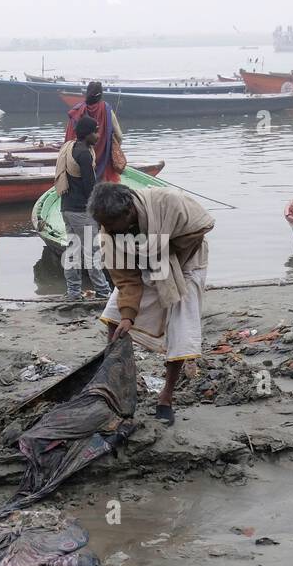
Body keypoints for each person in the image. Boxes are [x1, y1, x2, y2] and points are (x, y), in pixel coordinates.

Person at [89, 182, 214, 426]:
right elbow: (126, 279)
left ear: (128, 213)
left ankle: (165, 398)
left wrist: (163, 253)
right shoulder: (109, 232)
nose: (109, 231)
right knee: (113, 314)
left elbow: (203, 224)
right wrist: (128, 316)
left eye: (113, 227)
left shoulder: (169, 203)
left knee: (181, 327)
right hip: (145, 259)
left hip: (185, 261)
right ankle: (115, 379)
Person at [55, 114, 112, 301]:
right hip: (81, 211)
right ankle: (103, 292)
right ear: (87, 134)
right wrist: (101, 212)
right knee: (93, 252)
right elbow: (90, 188)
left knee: (72, 250)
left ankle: (73, 292)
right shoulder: (85, 154)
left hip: (66, 209)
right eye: (95, 131)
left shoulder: (70, 147)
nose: (98, 135)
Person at [64, 81, 127, 183]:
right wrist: (113, 149)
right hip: (104, 162)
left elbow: (69, 137)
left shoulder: (77, 110)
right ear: (100, 95)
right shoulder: (106, 109)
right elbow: (119, 135)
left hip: (78, 163)